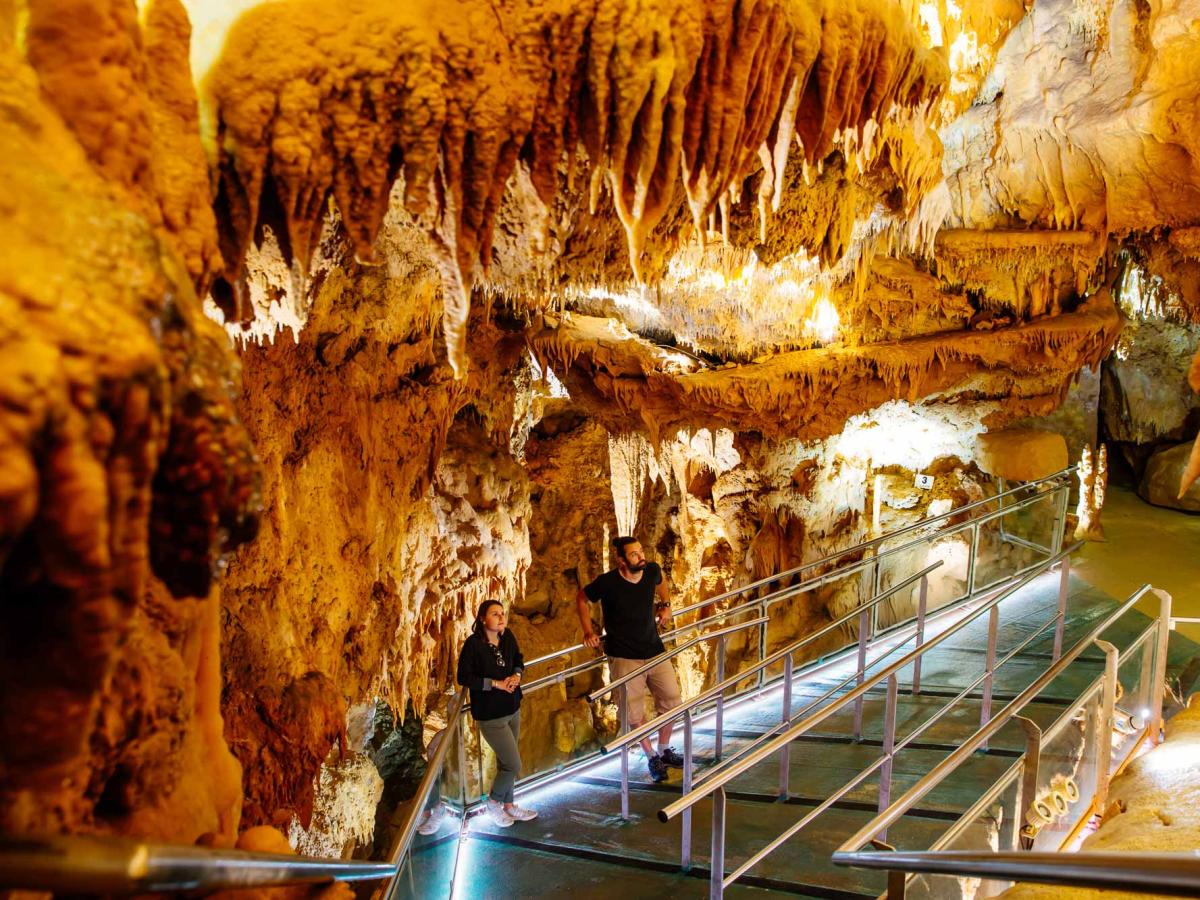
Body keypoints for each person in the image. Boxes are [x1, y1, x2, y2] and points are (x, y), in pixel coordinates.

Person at [576, 536, 685, 783]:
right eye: (634, 554)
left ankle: (664, 749)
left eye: (640, 551)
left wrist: (666, 604)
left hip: (654, 650)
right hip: (623, 656)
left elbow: (661, 580)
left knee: (672, 701)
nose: (640, 557)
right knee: (633, 714)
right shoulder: (608, 582)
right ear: (621, 560)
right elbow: (582, 598)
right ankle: (651, 756)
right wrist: (588, 631)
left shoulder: (651, 571)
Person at [456, 599, 538, 827]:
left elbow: (518, 659)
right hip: (491, 715)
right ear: (483, 619)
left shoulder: (507, 636)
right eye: (495, 614)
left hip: (512, 708)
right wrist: (495, 683)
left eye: (502, 613)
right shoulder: (473, 645)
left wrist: (516, 675)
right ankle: (493, 803)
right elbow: (464, 677)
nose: (501, 617)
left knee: (506, 763)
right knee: (513, 764)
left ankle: (509, 806)